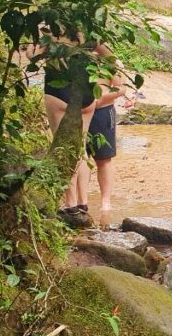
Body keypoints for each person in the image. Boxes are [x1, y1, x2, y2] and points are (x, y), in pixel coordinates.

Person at [43, 41, 112, 215]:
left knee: (63, 147)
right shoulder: (90, 35)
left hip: (58, 91)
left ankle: (70, 203)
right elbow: (111, 58)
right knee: (80, 148)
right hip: (86, 92)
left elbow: (31, 54)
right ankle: (83, 202)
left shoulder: (51, 33)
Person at [76, 62, 127, 212]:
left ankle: (106, 201)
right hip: (77, 112)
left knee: (104, 159)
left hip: (102, 111)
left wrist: (99, 98)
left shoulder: (111, 60)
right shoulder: (74, 56)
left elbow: (122, 88)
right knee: (80, 156)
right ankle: (81, 200)